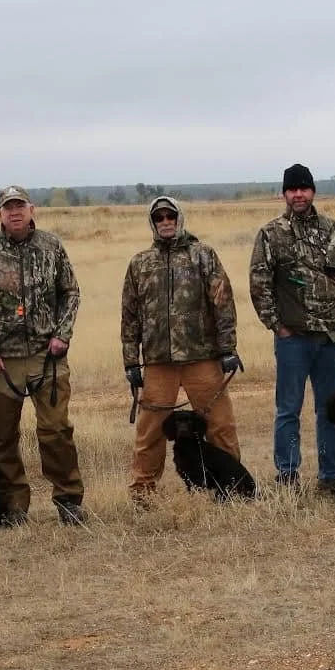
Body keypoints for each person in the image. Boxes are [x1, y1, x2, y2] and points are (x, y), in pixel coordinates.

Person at [0, 185, 86, 525]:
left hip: (47, 356)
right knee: (4, 436)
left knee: (56, 430)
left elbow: (71, 293)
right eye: (8, 208)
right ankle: (12, 505)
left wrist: (62, 335)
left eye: (20, 206)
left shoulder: (51, 246)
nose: (15, 212)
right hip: (3, 361)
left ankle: (68, 501)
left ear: (32, 210)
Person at [120, 196, 242, 505]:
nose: (165, 221)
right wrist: (131, 361)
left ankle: (233, 487)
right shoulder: (140, 263)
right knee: (150, 432)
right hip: (158, 362)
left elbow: (223, 303)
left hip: (201, 357)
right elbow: (130, 315)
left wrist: (228, 348)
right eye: (159, 217)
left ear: (179, 218)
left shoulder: (203, 255)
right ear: (153, 222)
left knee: (220, 424)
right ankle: (143, 495)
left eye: (170, 215)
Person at [249, 163, 335, 495]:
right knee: (288, 410)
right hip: (292, 340)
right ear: (284, 193)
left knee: (331, 410)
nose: (299, 194)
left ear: (313, 191)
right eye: (292, 189)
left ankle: (331, 475)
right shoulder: (272, 233)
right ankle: (287, 476)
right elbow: (259, 284)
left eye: (304, 188)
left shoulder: (333, 231)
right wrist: (277, 325)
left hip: (327, 339)